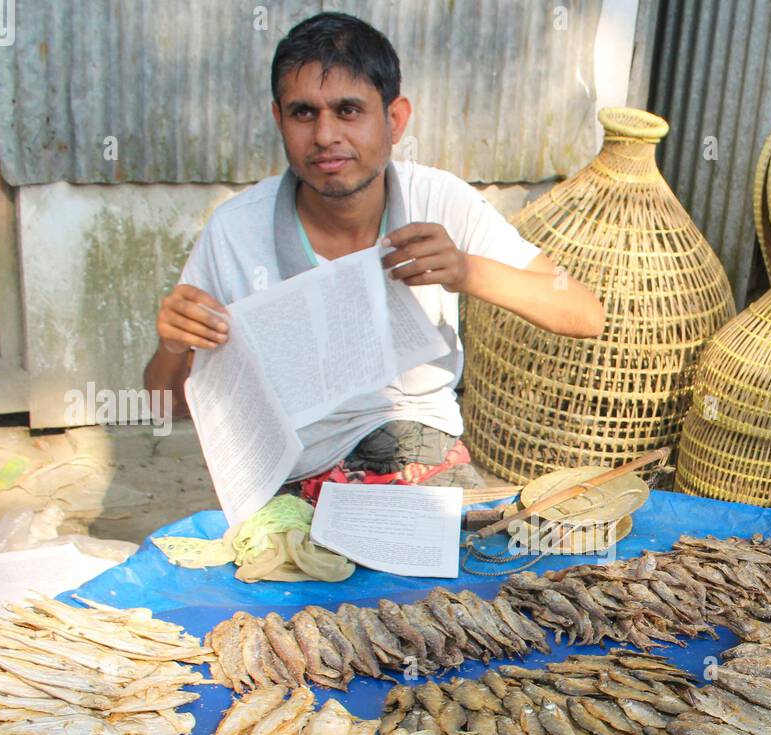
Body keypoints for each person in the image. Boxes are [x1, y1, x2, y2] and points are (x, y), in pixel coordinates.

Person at [144, 12, 605, 497]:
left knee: (455, 570)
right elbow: (161, 407)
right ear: (279, 120)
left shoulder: (440, 201)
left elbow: (583, 312)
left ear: (395, 119)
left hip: (419, 453)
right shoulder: (235, 230)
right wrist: (173, 347)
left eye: (348, 111)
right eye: (304, 113)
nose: (325, 136)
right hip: (291, 467)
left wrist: (467, 272)